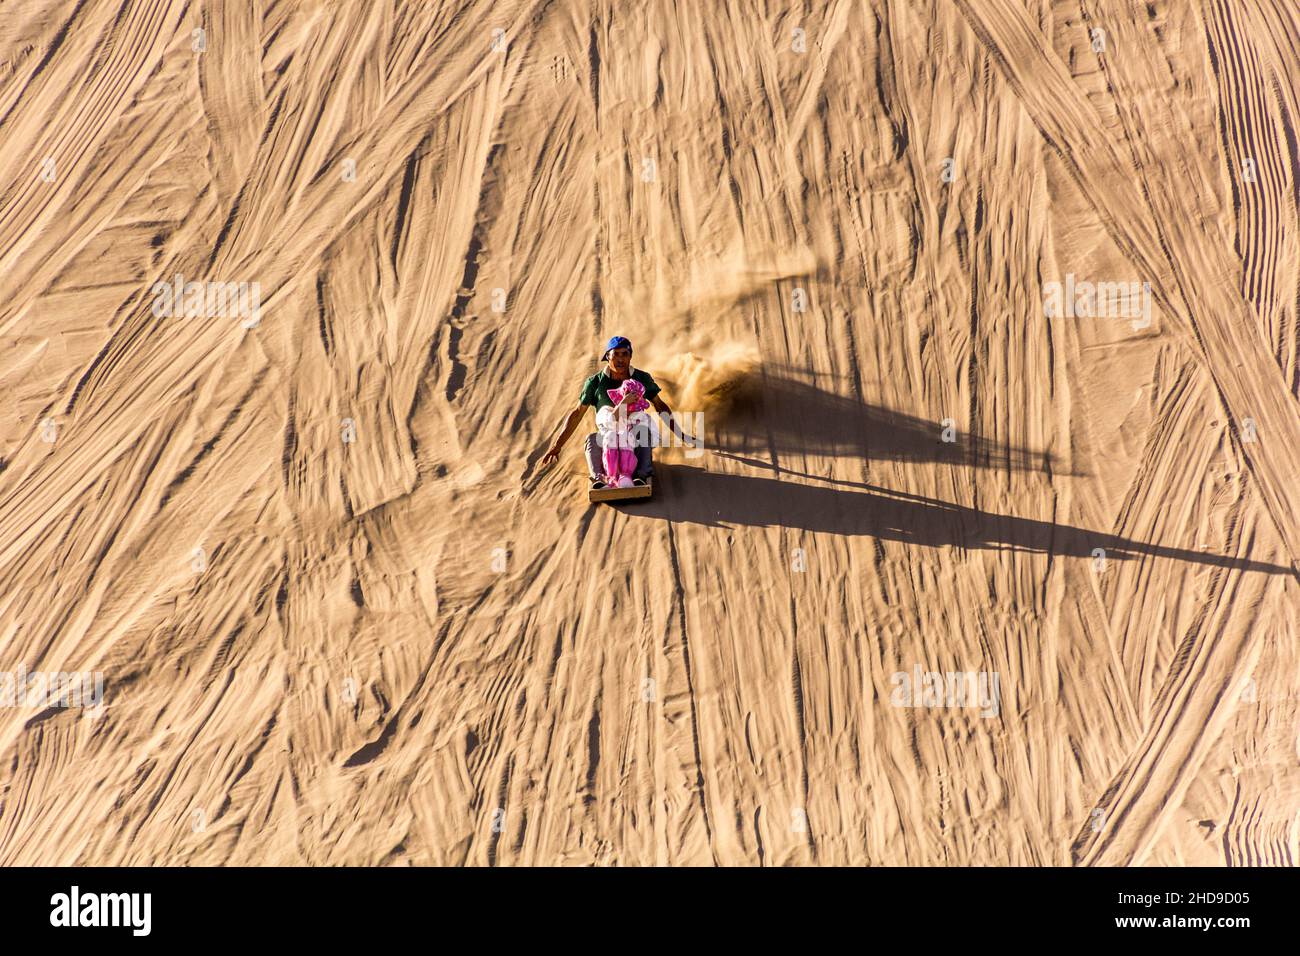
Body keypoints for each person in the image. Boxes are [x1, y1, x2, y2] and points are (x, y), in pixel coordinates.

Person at [541, 335, 696, 490]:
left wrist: (680, 434)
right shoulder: (595, 382)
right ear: (608, 357)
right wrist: (557, 445)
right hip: (610, 444)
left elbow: (660, 405)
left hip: (633, 442)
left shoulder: (641, 378)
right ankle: (599, 479)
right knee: (592, 439)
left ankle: (641, 477)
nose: (620, 359)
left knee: (643, 432)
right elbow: (577, 414)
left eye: (625, 354)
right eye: (616, 354)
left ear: (630, 357)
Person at [595, 379, 656, 488]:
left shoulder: (643, 418)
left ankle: (640, 477)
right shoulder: (606, 411)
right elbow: (609, 422)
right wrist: (623, 404)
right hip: (608, 458)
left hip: (633, 460)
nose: (629, 411)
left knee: (643, 431)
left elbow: (654, 441)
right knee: (593, 437)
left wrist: (632, 439)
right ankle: (602, 478)